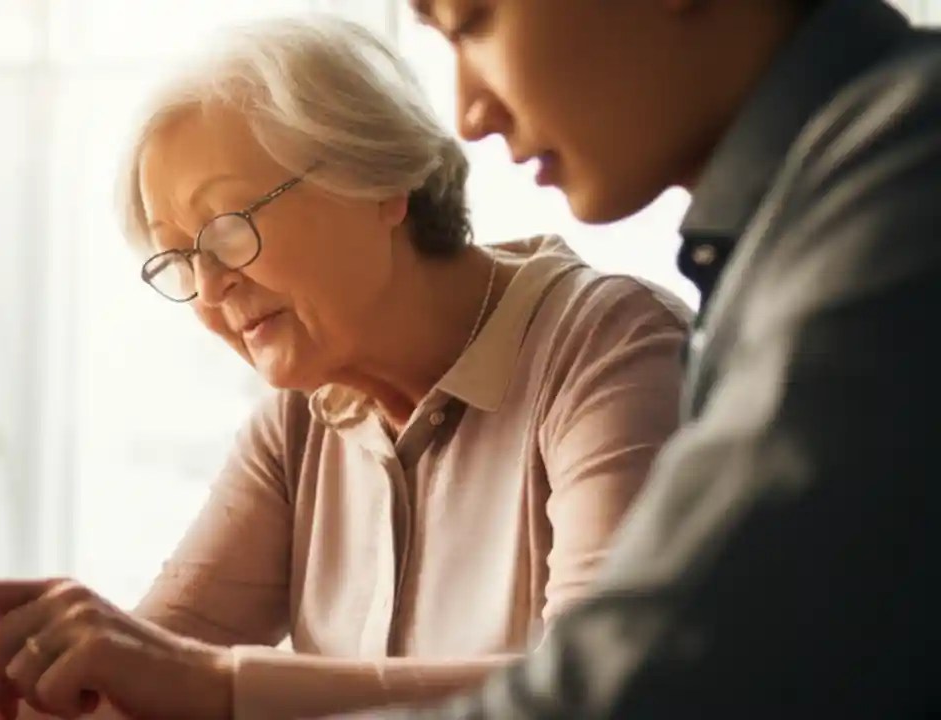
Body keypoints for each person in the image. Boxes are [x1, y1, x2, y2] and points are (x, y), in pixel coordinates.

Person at [0, 15, 690, 720]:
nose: (210, 286)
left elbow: (600, 688)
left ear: (380, 178)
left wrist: (221, 690)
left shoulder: (605, 346)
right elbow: (119, 683)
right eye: (179, 257)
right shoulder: (304, 416)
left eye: (229, 226)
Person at [371, 0, 941, 717]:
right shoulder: (803, 218)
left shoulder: (909, 182)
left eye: (473, 24)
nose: (469, 114)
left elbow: (658, 675)